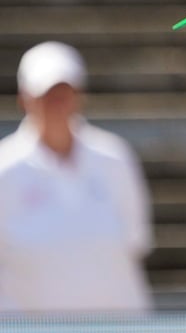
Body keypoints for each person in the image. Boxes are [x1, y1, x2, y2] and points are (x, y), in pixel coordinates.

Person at [0, 41, 153, 313]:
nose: (57, 104)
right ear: (25, 98)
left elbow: (136, 239)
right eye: (46, 94)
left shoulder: (115, 157)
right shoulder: (4, 168)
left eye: (64, 92)